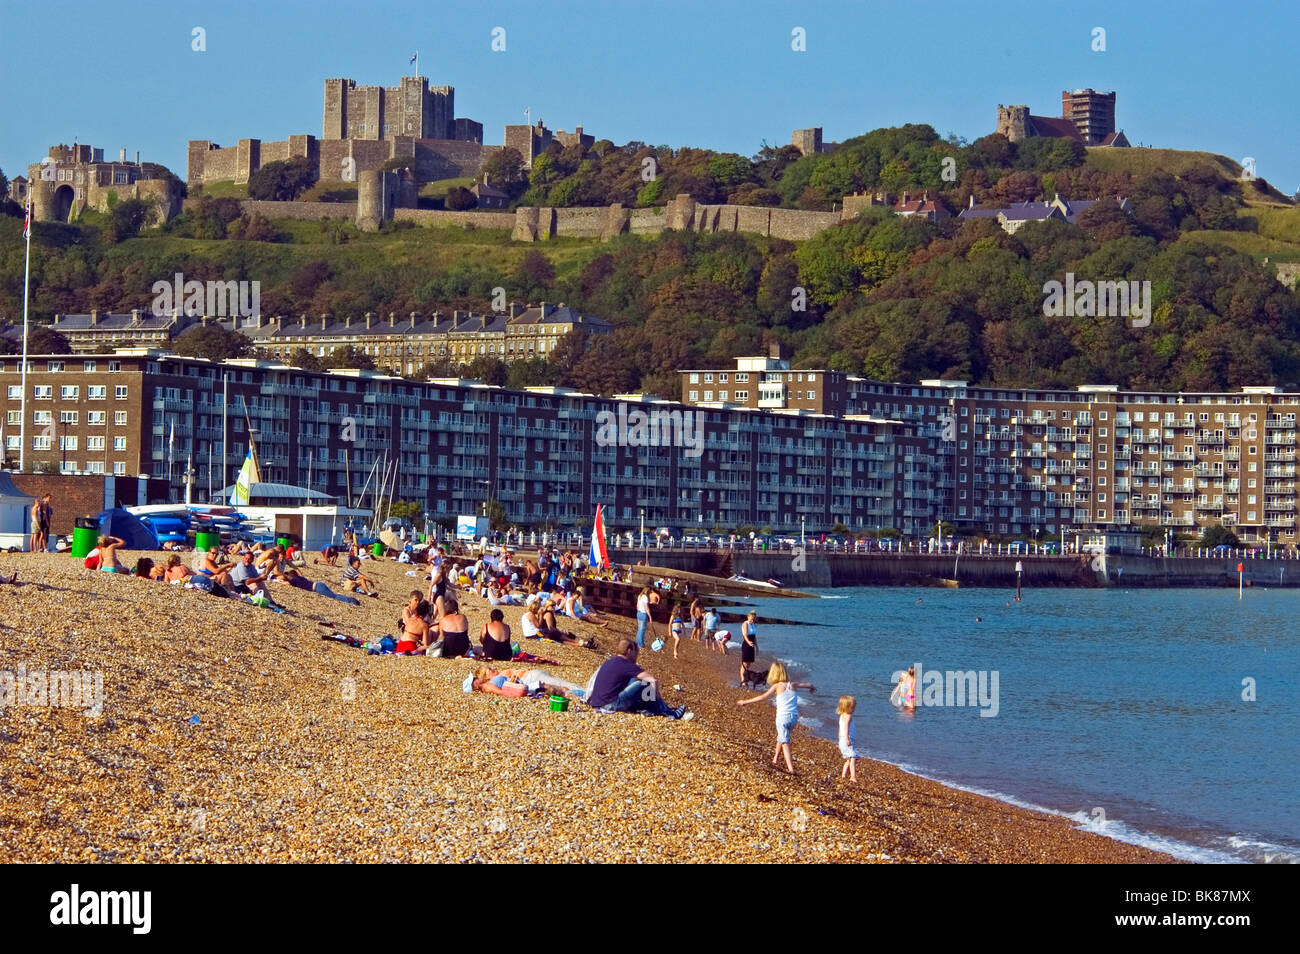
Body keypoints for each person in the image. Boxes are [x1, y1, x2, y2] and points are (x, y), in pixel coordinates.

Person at [737, 662, 815, 774]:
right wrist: (811, 687)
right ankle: (775, 759)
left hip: (782, 717)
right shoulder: (792, 684)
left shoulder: (777, 686)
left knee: (785, 741)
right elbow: (807, 684)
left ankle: (791, 768)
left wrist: (745, 701)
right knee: (782, 736)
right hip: (794, 718)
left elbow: (763, 697)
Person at [586, 638, 692, 720]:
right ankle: (667, 712)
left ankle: (653, 709)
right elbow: (652, 680)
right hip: (610, 705)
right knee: (645, 684)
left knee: (634, 684)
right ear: (629, 651)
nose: (636, 657)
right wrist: (658, 699)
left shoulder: (610, 661)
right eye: (636, 653)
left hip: (597, 702)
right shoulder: (625, 664)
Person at [838, 696, 858, 783]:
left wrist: (840, 739)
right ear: (847, 707)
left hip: (842, 739)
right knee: (853, 758)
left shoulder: (842, 716)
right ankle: (853, 777)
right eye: (852, 707)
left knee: (848, 759)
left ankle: (843, 775)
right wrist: (847, 739)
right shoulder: (848, 716)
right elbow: (846, 727)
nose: (854, 709)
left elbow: (840, 729)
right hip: (847, 739)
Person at [740, 610, 759, 681]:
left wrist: (757, 647)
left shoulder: (753, 625)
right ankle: (743, 680)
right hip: (746, 644)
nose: (752, 620)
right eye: (751, 619)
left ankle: (746, 678)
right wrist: (748, 642)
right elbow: (745, 635)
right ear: (748, 617)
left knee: (749, 663)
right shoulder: (745, 624)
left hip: (752, 645)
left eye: (754, 619)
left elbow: (754, 636)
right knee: (744, 663)